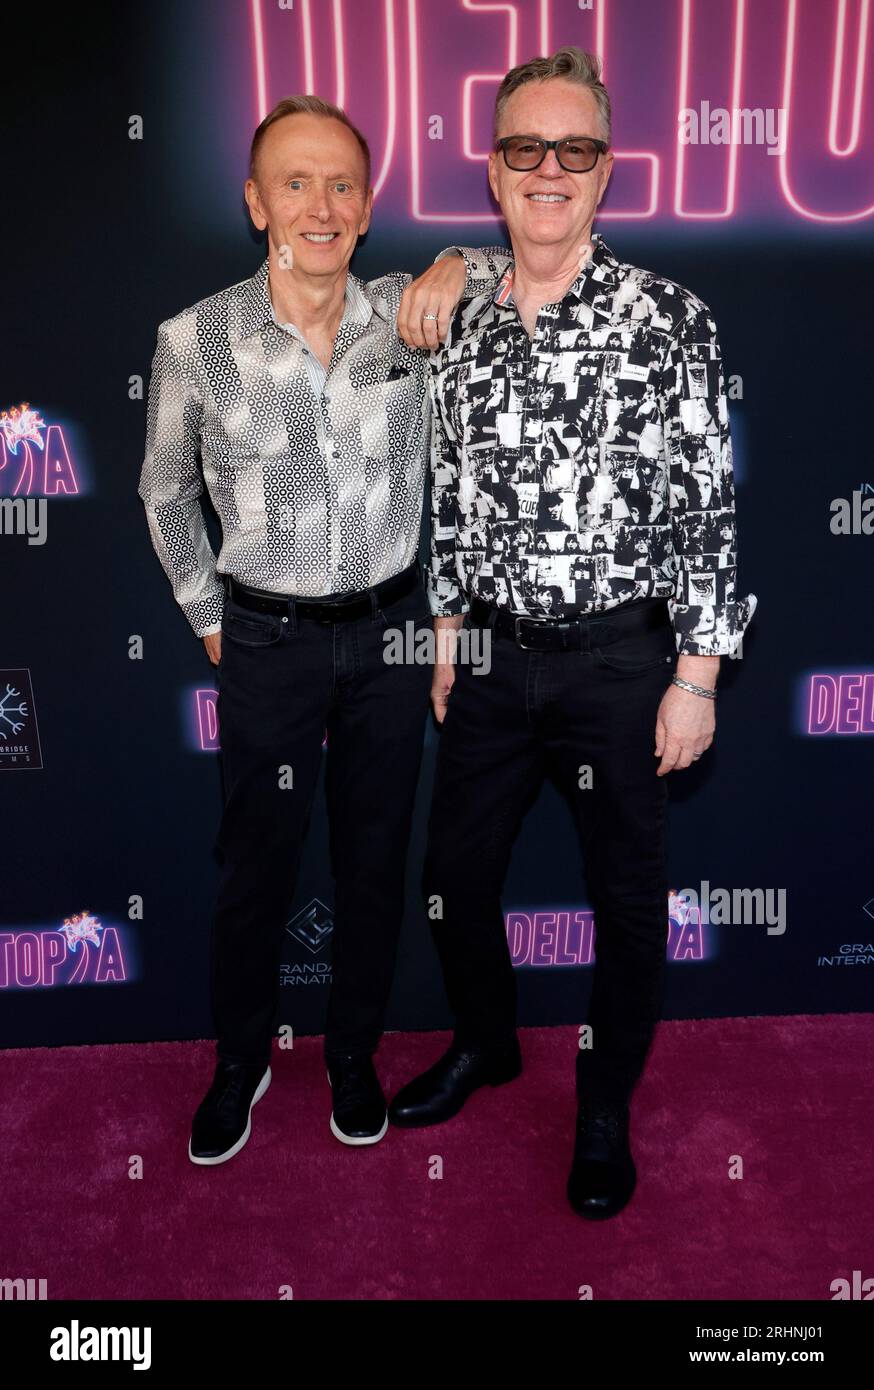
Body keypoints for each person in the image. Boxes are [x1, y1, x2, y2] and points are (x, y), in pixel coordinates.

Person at [389, 49, 757, 1220]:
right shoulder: (459, 319)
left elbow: (708, 504)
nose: (548, 171)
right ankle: (489, 1045)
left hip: (618, 660)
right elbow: (448, 489)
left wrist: (696, 675)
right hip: (491, 656)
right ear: (491, 169)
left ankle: (603, 1104)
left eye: (575, 151)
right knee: (451, 878)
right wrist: (446, 629)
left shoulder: (670, 319)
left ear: (609, 171)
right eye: (523, 150)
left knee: (626, 899)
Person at [138, 94, 507, 1164]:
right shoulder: (195, 338)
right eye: (294, 181)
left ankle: (353, 1055)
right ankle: (240, 1064)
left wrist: (449, 259)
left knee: (373, 861)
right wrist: (210, 613)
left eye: (342, 182)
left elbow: (534, 257)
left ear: (366, 204)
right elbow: (164, 494)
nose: (320, 202)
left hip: (391, 634)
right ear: (256, 203)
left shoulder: (407, 316)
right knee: (256, 864)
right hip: (266, 641)